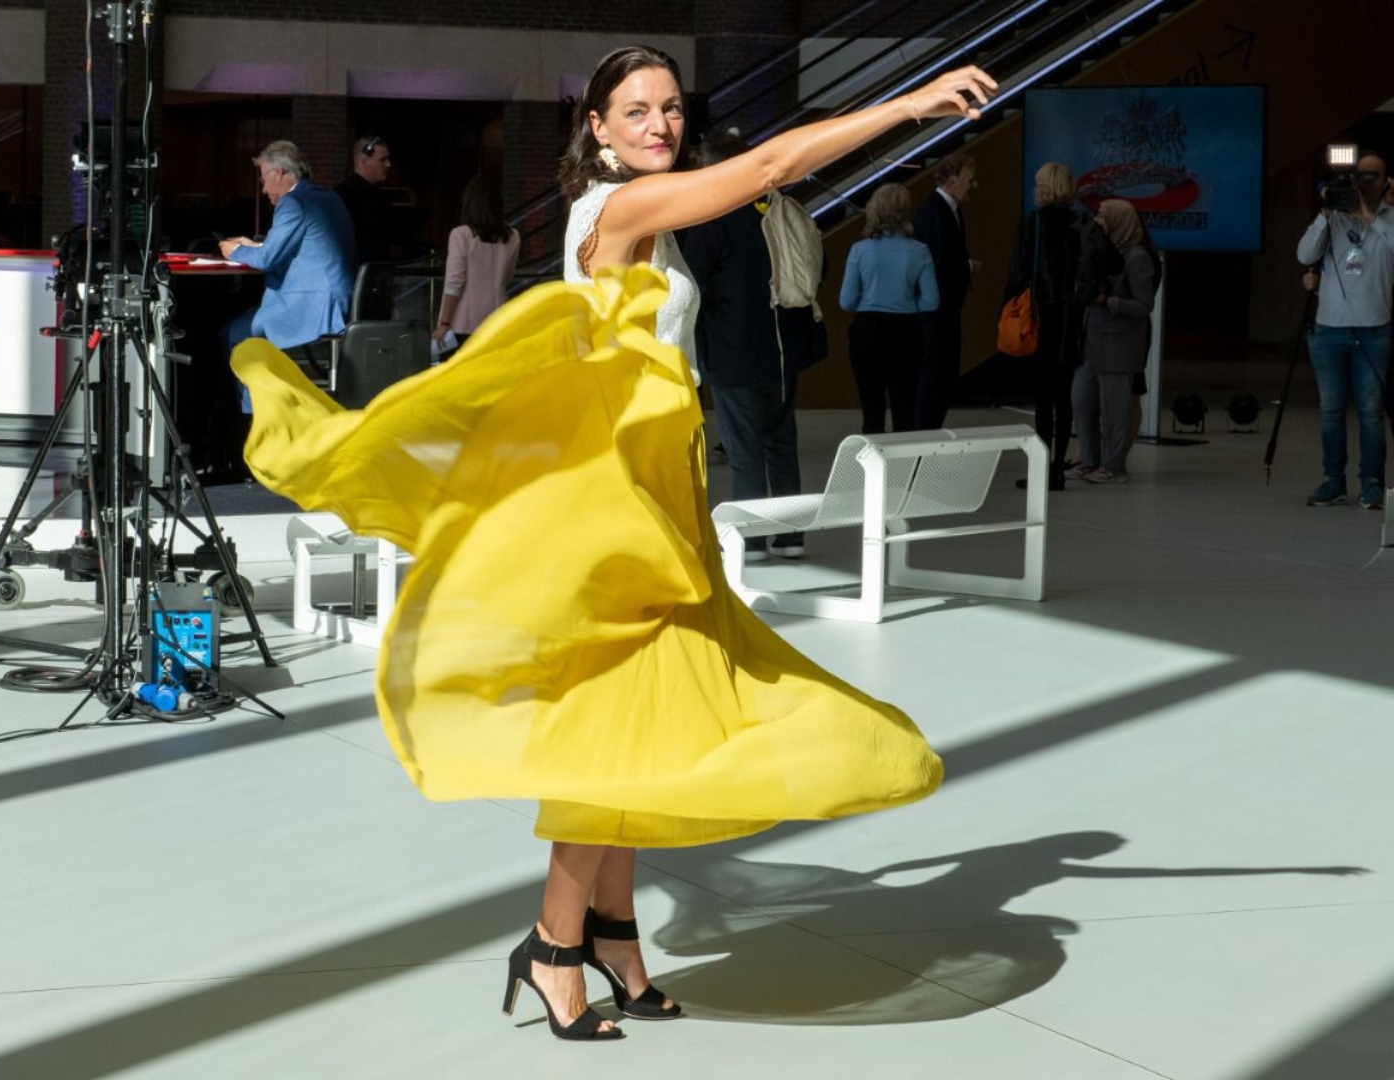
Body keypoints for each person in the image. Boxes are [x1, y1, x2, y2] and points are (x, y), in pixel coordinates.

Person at [231, 46, 991, 1042]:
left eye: (671, 110)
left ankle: (615, 934)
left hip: (665, 486)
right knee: (617, 717)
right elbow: (768, 171)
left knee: (654, 719)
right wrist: (915, 105)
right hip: (616, 501)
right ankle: (554, 945)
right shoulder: (617, 212)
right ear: (594, 126)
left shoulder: (653, 209)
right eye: (636, 111)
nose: (659, 126)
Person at [682, 129, 823, 560]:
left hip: (734, 352)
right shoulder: (780, 208)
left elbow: (688, 284)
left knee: (744, 449)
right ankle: (791, 536)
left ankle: (753, 540)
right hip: (785, 351)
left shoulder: (713, 221)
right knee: (781, 444)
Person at [1296, 152, 1392, 511]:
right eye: (1361, 176)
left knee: (1370, 411)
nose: (1366, 182)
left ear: (1386, 182)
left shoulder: (1391, 220)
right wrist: (1324, 216)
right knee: (1331, 410)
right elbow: (1304, 254)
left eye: (1374, 176)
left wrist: (1369, 217)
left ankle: (1371, 484)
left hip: (1374, 330)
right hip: (1329, 330)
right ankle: (1334, 481)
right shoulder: (1334, 218)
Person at [221, 141, 357, 392]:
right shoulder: (327, 196)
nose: (263, 190)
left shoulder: (292, 203)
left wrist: (236, 250)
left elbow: (267, 260)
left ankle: (256, 417)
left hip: (312, 305)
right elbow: (305, 247)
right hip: (337, 301)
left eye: (263, 180)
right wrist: (257, 245)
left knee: (233, 334)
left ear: (278, 173)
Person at [1002, 162, 1085, 489]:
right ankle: (1058, 470)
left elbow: (1018, 272)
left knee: (1042, 399)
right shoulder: (1081, 225)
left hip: (1039, 318)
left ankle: (1041, 468)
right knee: (1063, 395)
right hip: (1070, 320)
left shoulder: (1032, 224)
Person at [1068, 200, 1160, 484]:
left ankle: (1113, 465)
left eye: (1103, 217)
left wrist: (1109, 301)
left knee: (1115, 408)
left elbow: (1144, 305)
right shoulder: (1098, 252)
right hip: (1093, 340)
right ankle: (1090, 458)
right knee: (1081, 398)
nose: (1097, 221)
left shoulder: (1137, 257)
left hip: (1120, 345)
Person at [839, 181, 938, 436]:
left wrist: (872, 301)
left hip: (867, 331)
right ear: (906, 212)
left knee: (871, 412)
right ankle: (903, 473)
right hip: (906, 333)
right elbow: (931, 301)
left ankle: (873, 471)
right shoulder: (920, 251)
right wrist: (904, 302)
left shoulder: (859, 250)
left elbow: (846, 301)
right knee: (904, 411)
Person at [912, 152, 980, 429]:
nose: (974, 185)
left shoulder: (949, 209)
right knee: (935, 377)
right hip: (936, 313)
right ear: (952, 180)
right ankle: (924, 435)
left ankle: (929, 433)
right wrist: (966, 267)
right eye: (969, 179)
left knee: (943, 376)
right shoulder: (934, 211)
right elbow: (934, 262)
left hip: (945, 311)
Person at [433, 175, 519, 352]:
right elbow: (508, 277)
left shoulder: (461, 235)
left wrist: (443, 322)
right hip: (498, 322)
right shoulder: (513, 236)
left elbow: (454, 284)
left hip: (463, 325)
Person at [335, 135, 394, 266]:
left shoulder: (380, 196)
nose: (388, 164)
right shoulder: (343, 196)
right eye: (382, 159)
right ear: (364, 162)